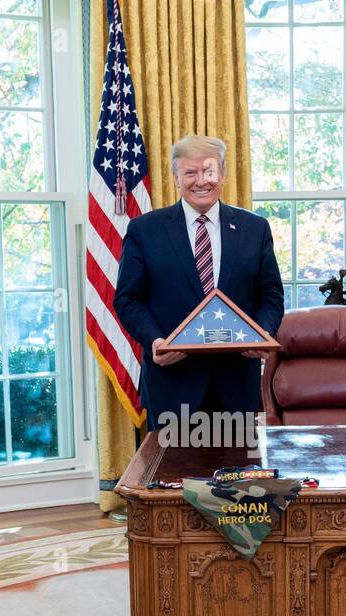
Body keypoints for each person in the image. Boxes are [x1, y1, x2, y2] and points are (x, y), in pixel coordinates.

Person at [114, 134, 284, 429]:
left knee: (237, 474)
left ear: (223, 174)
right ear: (176, 178)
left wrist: (262, 334)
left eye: (209, 171)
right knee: (172, 475)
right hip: (172, 385)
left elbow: (270, 294)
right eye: (190, 173)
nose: (201, 181)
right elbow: (127, 299)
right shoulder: (145, 230)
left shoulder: (254, 229)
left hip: (236, 387)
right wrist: (156, 341)